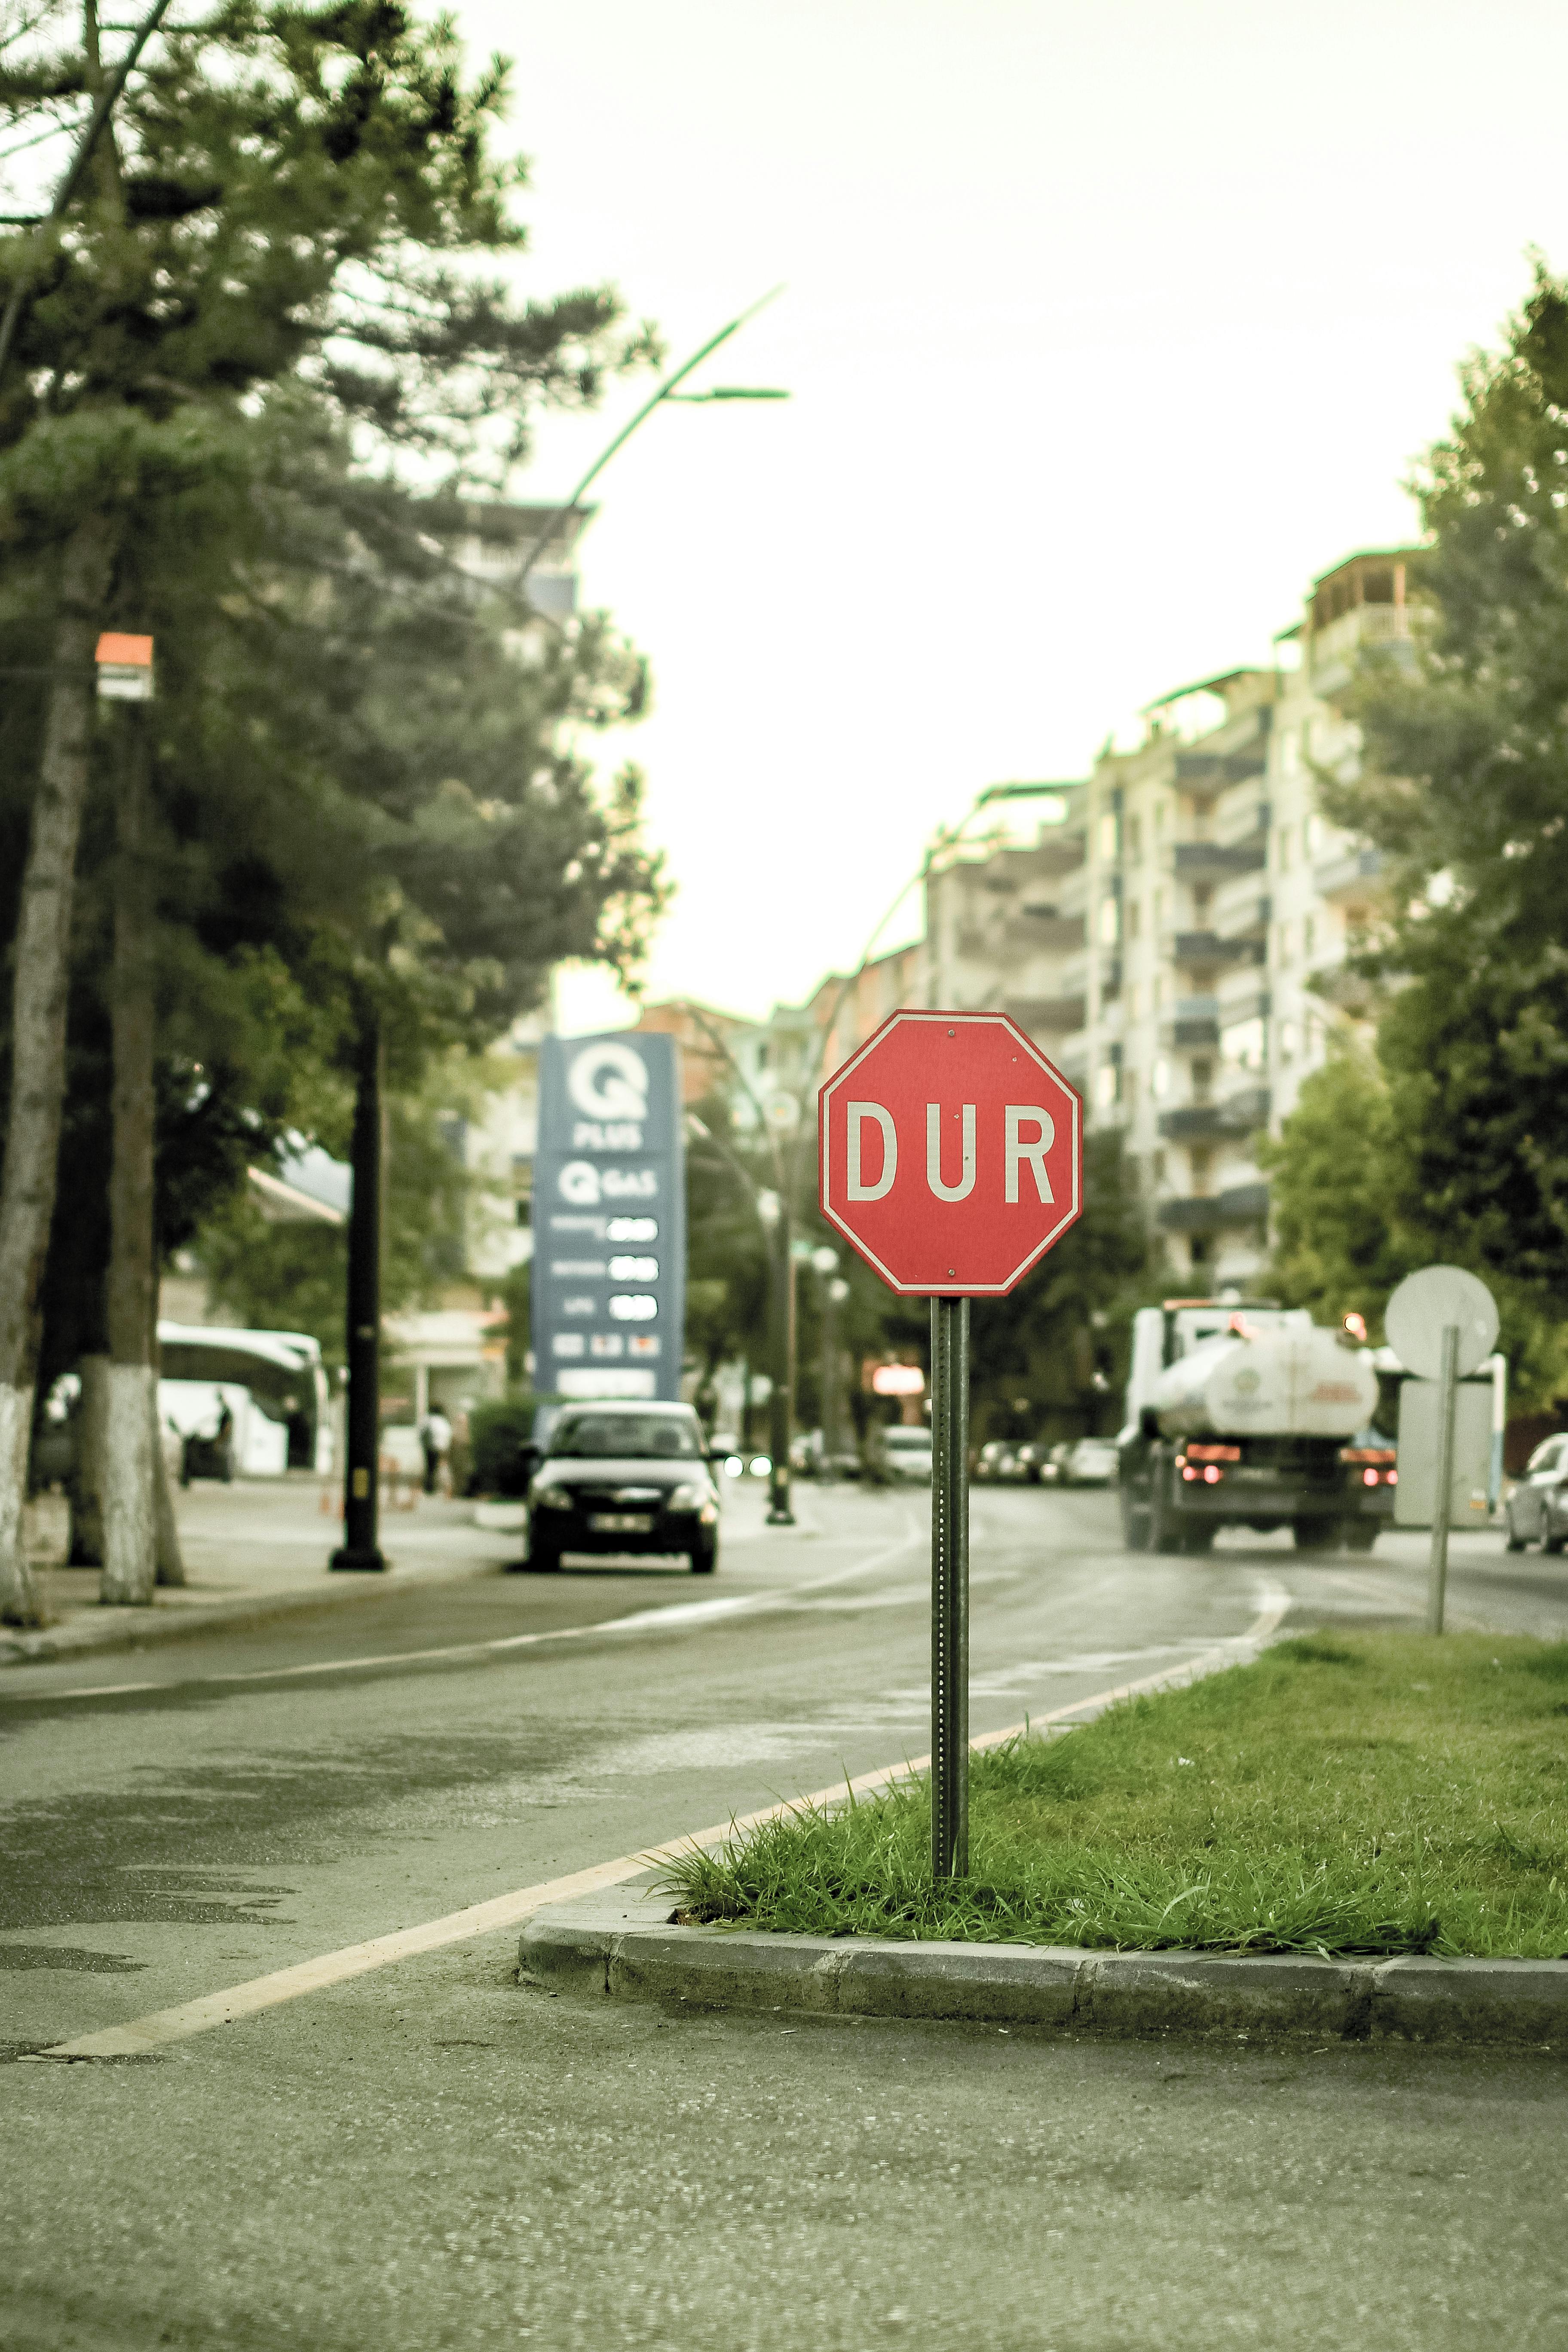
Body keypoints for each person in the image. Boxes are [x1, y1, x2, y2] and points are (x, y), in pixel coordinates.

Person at [420, 1406, 453, 1496]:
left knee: (431, 1468)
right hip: (441, 1448)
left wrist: (423, 1444)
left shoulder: (429, 1419)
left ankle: (430, 1487)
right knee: (437, 1467)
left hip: (430, 1447)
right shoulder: (443, 1421)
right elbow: (448, 1434)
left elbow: (422, 1433)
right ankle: (436, 1486)